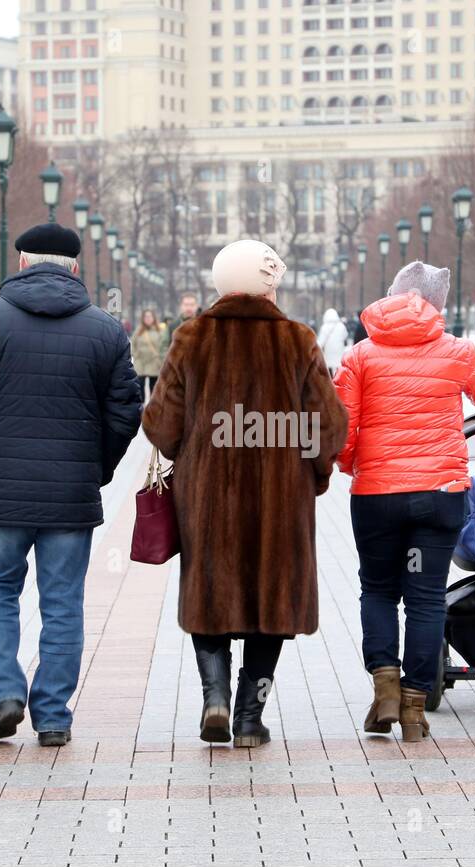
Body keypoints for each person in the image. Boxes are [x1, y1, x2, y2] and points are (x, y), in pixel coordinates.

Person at [0, 223, 142, 747]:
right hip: (70, 492)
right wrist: (98, 466)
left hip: (1, 489)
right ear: (75, 268)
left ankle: (5, 693)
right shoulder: (105, 329)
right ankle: (52, 714)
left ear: (23, 263)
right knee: (63, 600)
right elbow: (125, 411)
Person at [143, 239, 347, 748]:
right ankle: (249, 719)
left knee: (211, 593)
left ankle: (214, 697)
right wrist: (311, 475)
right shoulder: (298, 340)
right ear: (267, 285)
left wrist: (189, 448)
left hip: (207, 497)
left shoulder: (191, 337)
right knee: (272, 602)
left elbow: (161, 424)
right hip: (282, 498)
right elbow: (330, 425)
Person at [335, 261, 475, 742]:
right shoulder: (457, 352)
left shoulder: (360, 356)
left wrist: (351, 465)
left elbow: (343, 428)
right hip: (439, 495)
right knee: (427, 599)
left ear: (392, 297)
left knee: (379, 590)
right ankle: (413, 706)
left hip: (377, 496)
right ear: (436, 307)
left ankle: (384, 684)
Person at [130, 308, 167, 400]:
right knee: (139, 385)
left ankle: (153, 406)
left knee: (154, 387)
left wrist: (161, 356)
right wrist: (135, 354)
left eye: (150, 316)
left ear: (154, 318)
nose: (148, 318)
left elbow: (164, 345)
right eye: (146, 316)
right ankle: (141, 406)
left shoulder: (160, 331)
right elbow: (132, 344)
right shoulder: (138, 331)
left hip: (154, 362)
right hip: (141, 362)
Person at [316, 307, 349, 376]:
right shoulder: (341, 326)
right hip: (339, 350)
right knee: (338, 365)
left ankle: (331, 382)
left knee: (329, 366)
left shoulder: (325, 327)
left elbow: (321, 341)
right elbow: (345, 336)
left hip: (329, 351)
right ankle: (338, 380)